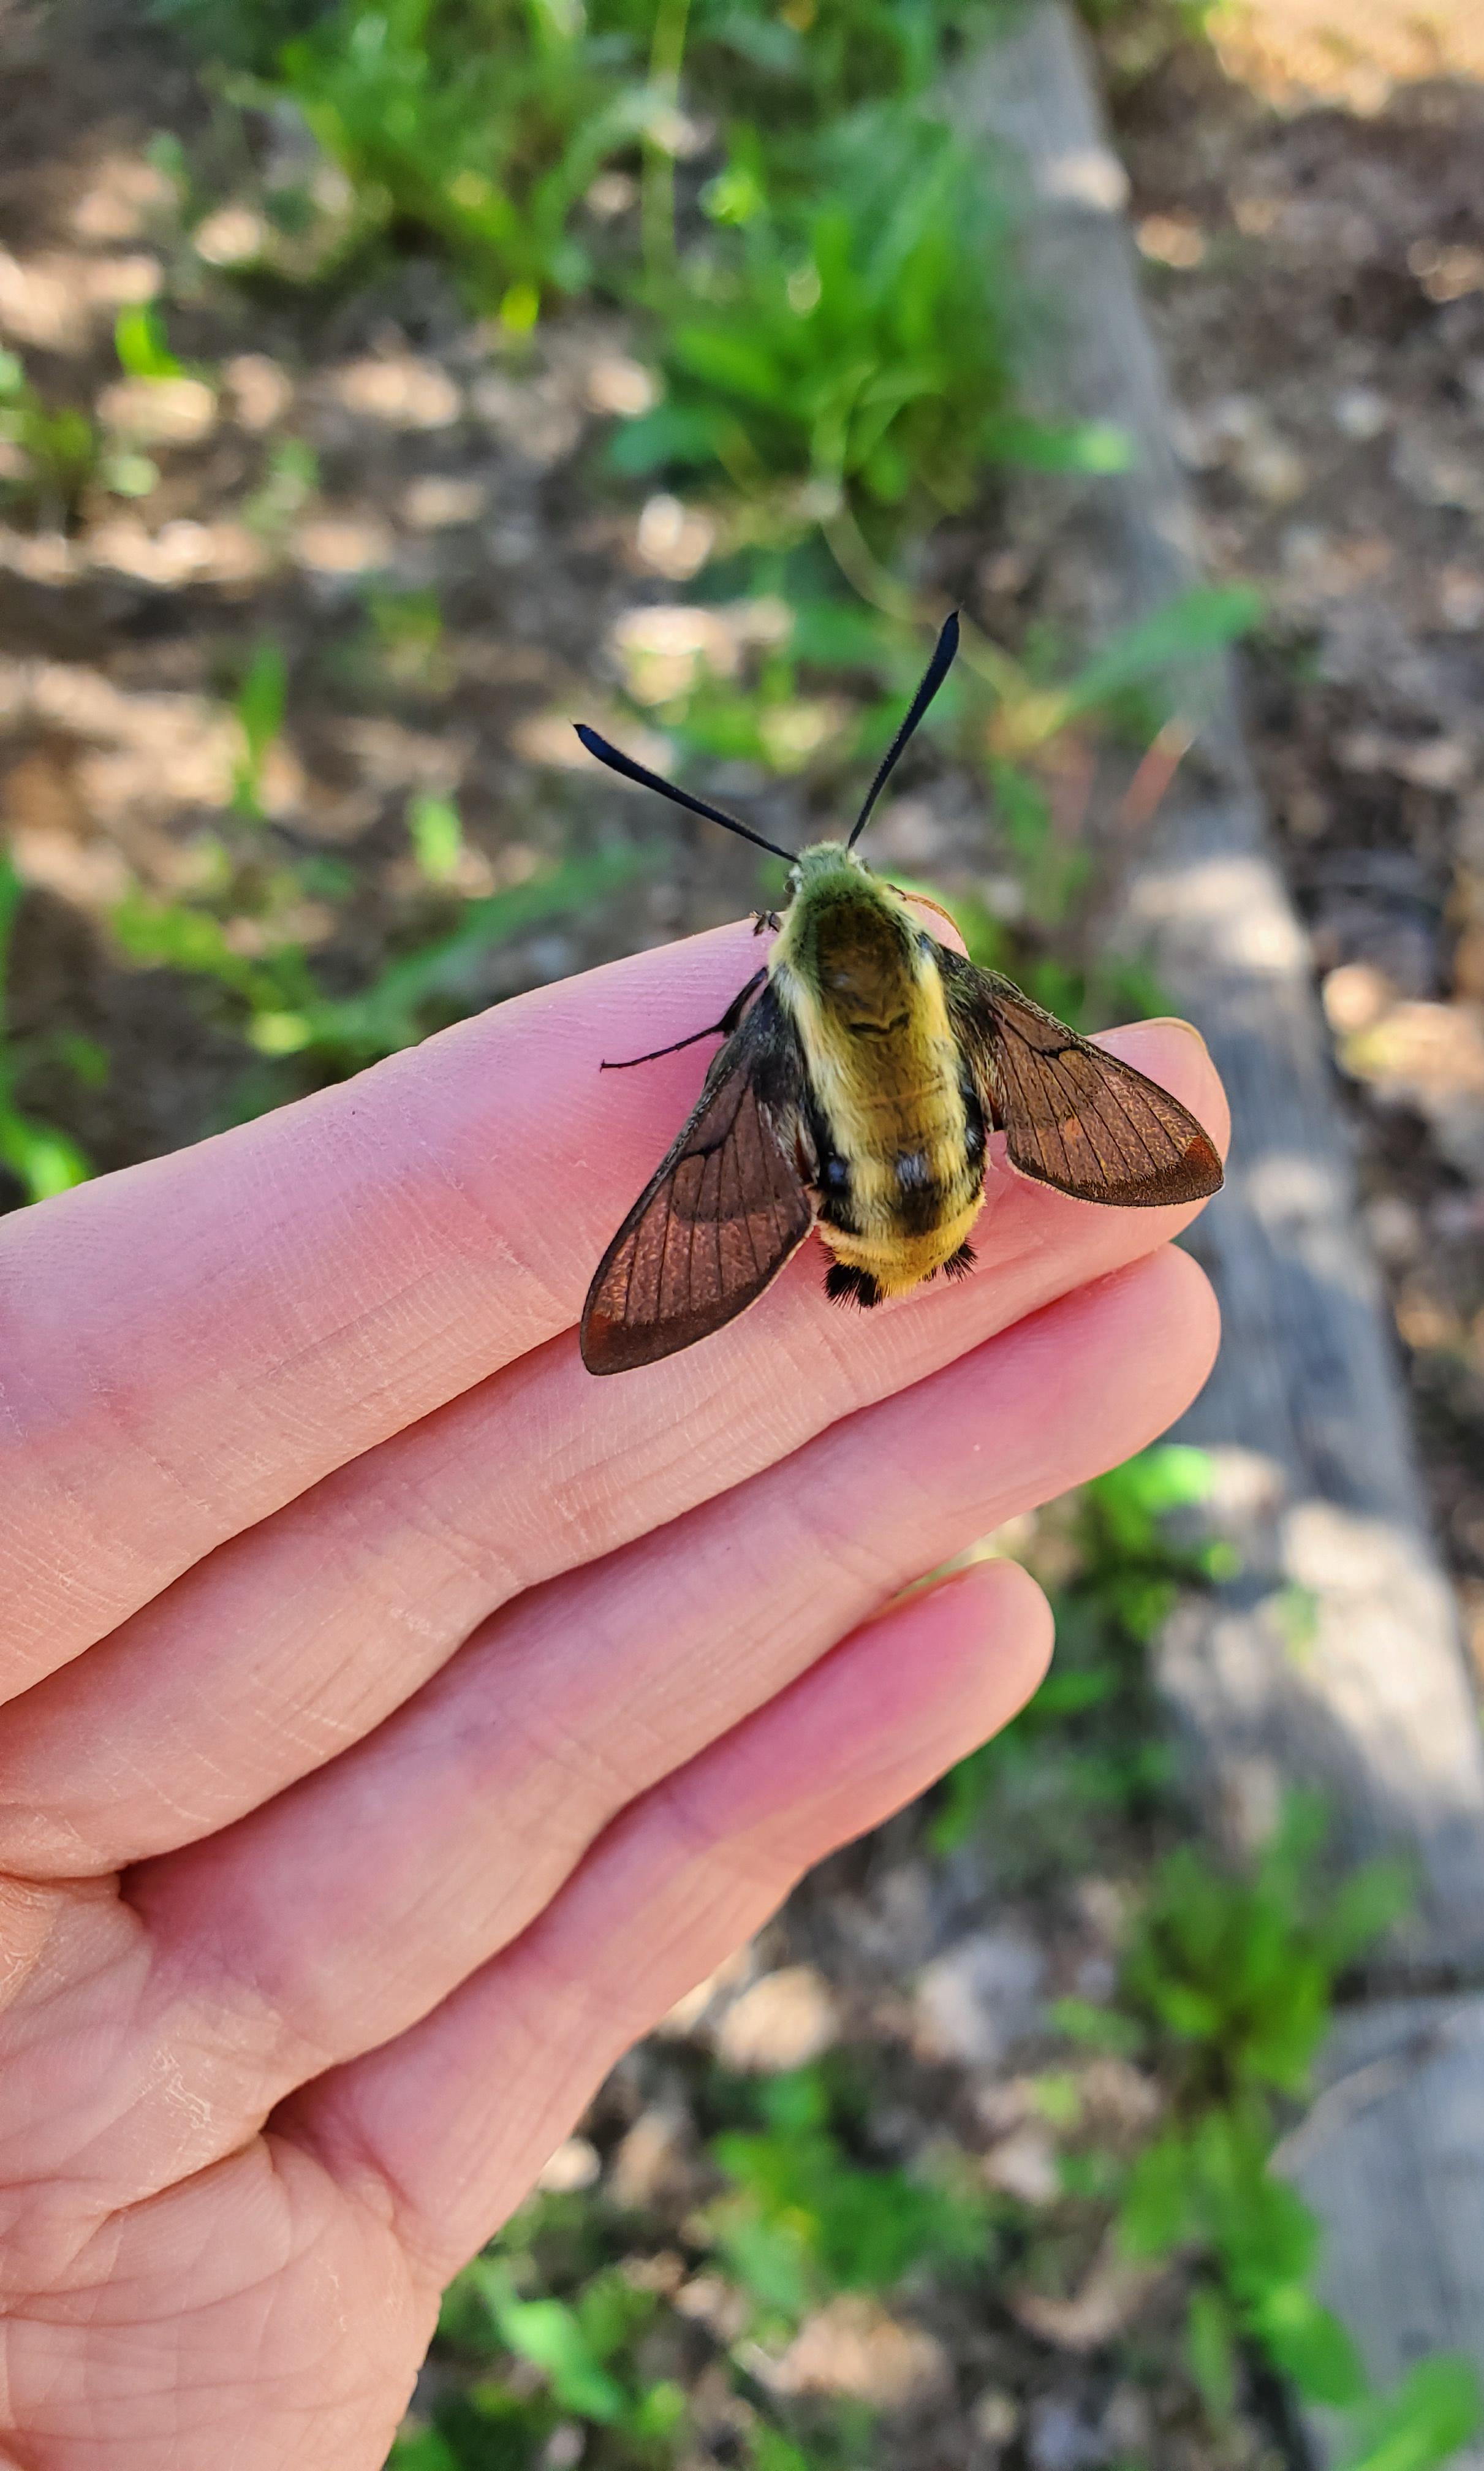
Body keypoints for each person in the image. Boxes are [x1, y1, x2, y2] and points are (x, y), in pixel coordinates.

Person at [0, 914, 1223, 2470]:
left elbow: (723, 1094)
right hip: (945, 1192)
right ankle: (917, 1223)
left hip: (847, 1210)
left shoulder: (763, 1008)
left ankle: (886, 1231)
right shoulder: (956, 991)